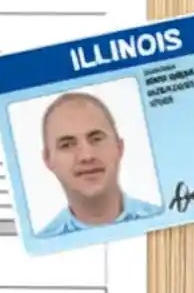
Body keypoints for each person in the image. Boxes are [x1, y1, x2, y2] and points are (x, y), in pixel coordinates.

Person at [36, 92, 162, 237]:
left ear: (119, 147)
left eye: (96, 139)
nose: (87, 156)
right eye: (67, 145)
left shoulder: (165, 222)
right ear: (47, 159)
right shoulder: (44, 244)